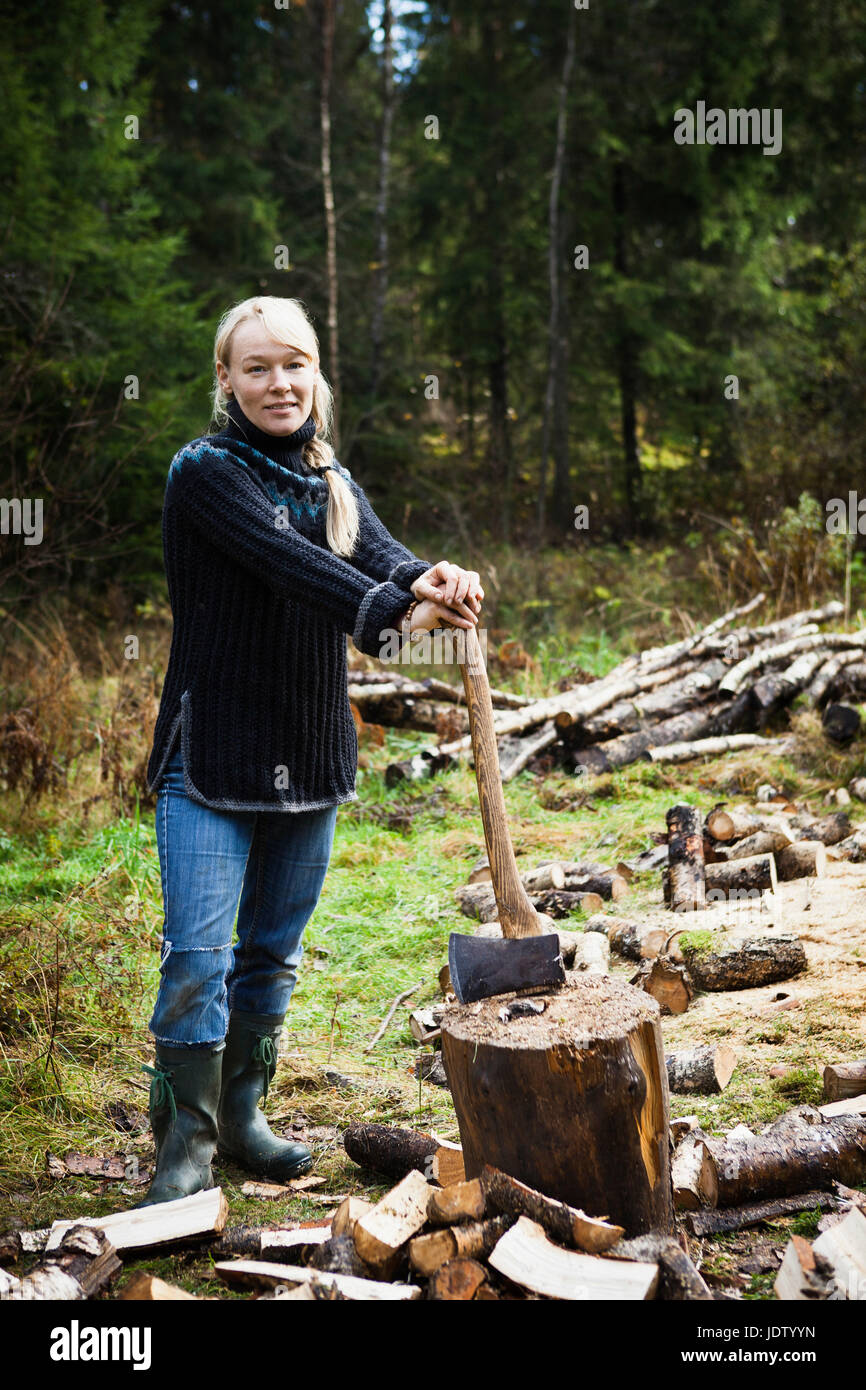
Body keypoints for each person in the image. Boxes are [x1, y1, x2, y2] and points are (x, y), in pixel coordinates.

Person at [137, 294, 483, 1207]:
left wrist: (434, 579)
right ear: (226, 379)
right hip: (210, 758)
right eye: (257, 367)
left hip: (309, 755)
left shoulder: (331, 479)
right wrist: (387, 613)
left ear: (316, 373)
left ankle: (244, 1121)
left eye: (295, 363)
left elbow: (380, 556)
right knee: (198, 957)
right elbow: (298, 564)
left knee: (270, 957)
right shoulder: (205, 473)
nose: (279, 382)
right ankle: (183, 1152)